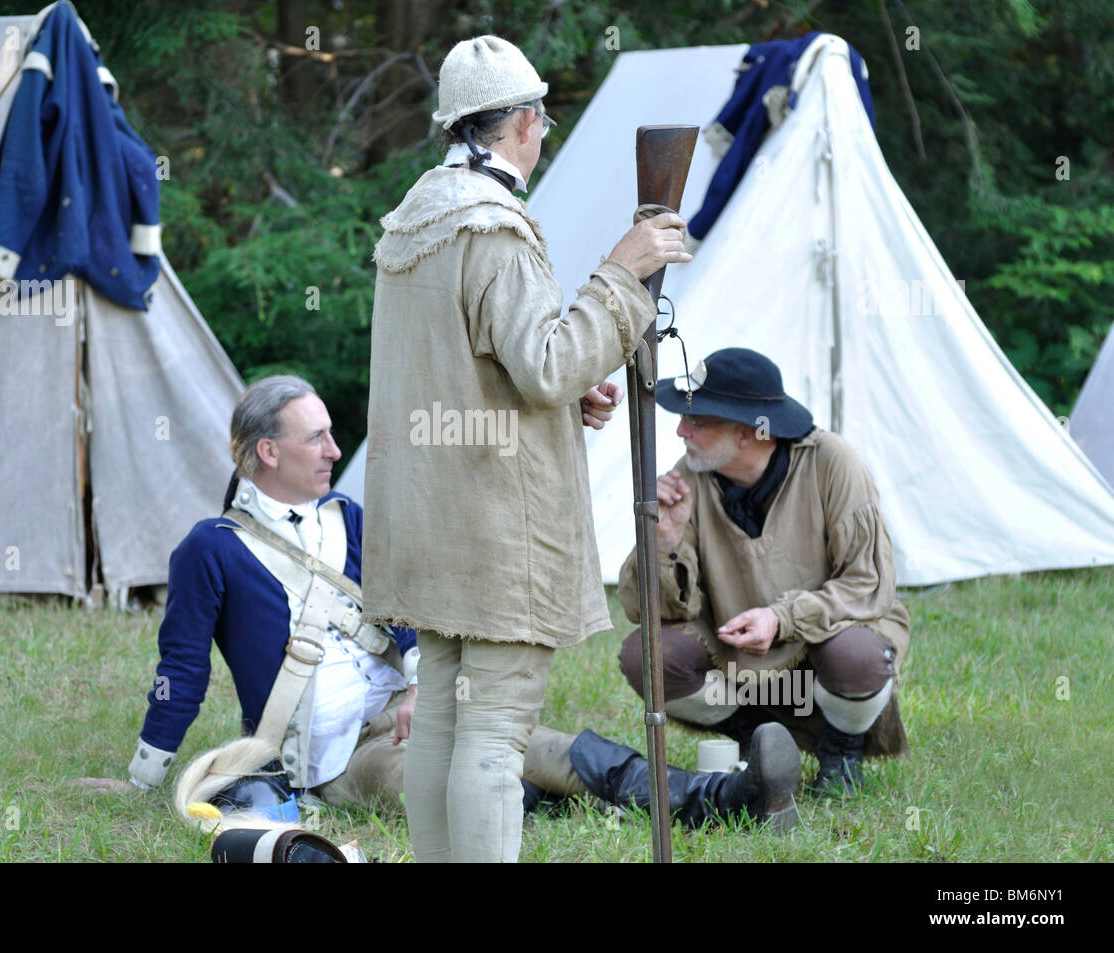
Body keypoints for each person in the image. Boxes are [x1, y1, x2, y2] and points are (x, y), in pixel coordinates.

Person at [360, 34, 751, 862]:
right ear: (526, 123)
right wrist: (620, 271)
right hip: (493, 521)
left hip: (433, 514)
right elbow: (543, 363)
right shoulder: (495, 226)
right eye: (543, 118)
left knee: (441, 713)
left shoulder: (418, 218)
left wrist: (567, 393)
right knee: (495, 731)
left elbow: (470, 362)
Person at [129, 375, 801, 839]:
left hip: (406, 707)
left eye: (333, 434)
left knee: (534, 744)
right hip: (331, 754)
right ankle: (547, 795)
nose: (336, 450)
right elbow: (181, 670)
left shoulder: (347, 518)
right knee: (467, 779)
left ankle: (720, 798)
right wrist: (143, 779)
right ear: (268, 451)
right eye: (318, 438)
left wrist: (421, 684)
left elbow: (407, 606)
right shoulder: (209, 550)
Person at [616, 348, 912, 795]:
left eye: (697, 421)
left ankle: (841, 750)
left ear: (747, 433)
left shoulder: (832, 462)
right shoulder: (690, 476)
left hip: (824, 644)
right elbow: (656, 611)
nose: (680, 430)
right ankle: (758, 740)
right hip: (736, 655)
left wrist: (782, 618)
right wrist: (665, 543)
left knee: (856, 656)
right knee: (648, 658)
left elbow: (867, 583)